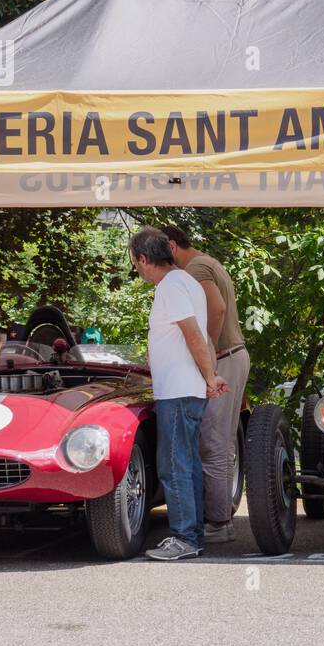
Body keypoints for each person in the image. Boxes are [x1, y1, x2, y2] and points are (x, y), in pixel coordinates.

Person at [129, 227, 228, 561]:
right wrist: (209, 377)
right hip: (188, 387)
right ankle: (194, 535)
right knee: (187, 463)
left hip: (179, 390)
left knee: (173, 466)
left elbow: (193, 336)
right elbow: (198, 337)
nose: (137, 269)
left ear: (144, 259)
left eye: (136, 263)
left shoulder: (170, 286)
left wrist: (210, 376)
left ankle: (184, 537)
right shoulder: (187, 281)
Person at [163, 224, 250, 544]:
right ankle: (221, 516)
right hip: (234, 355)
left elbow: (217, 308)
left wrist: (207, 352)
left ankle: (218, 522)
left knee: (211, 444)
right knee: (222, 444)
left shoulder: (197, 267)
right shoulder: (209, 262)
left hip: (225, 356)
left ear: (172, 246)